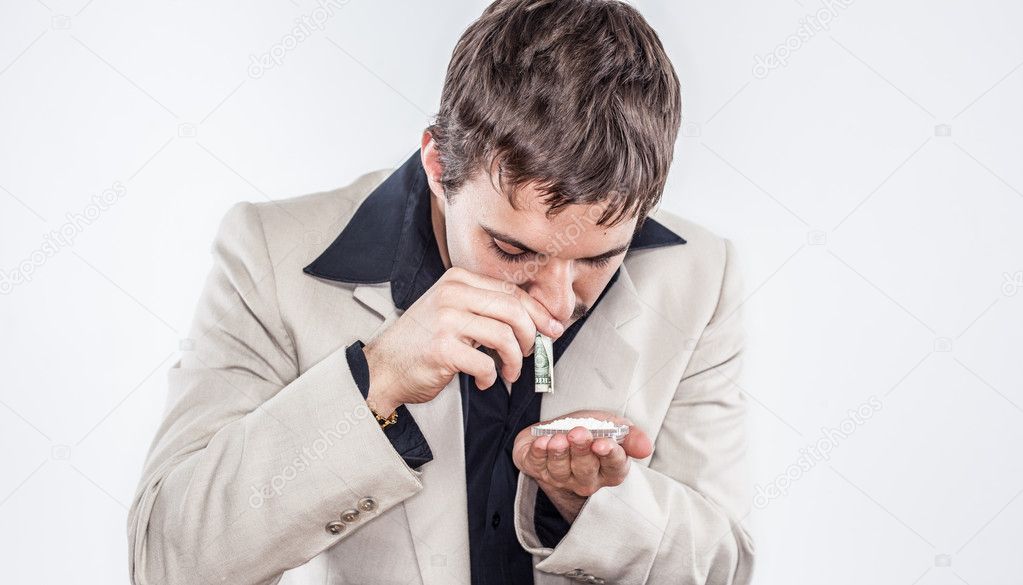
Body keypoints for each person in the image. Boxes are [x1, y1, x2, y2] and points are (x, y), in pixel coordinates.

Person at [128, 1, 755, 583]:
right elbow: (170, 559)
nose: (559, 303)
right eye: (513, 249)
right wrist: (376, 380)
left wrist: (590, 505)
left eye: (598, 258)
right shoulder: (269, 253)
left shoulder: (700, 276)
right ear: (437, 165)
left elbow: (726, 564)